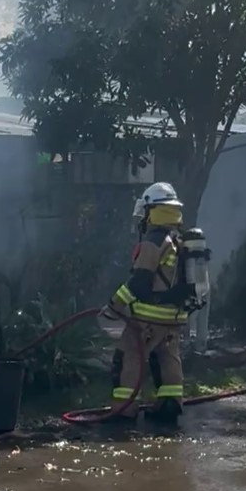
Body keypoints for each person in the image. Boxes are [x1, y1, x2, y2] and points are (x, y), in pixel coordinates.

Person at [103, 182, 191, 424]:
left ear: (152, 210)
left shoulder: (154, 241)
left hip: (147, 317)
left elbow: (140, 283)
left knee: (128, 356)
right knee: (167, 357)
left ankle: (124, 410)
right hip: (173, 317)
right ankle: (169, 405)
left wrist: (113, 306)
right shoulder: (180, 239)